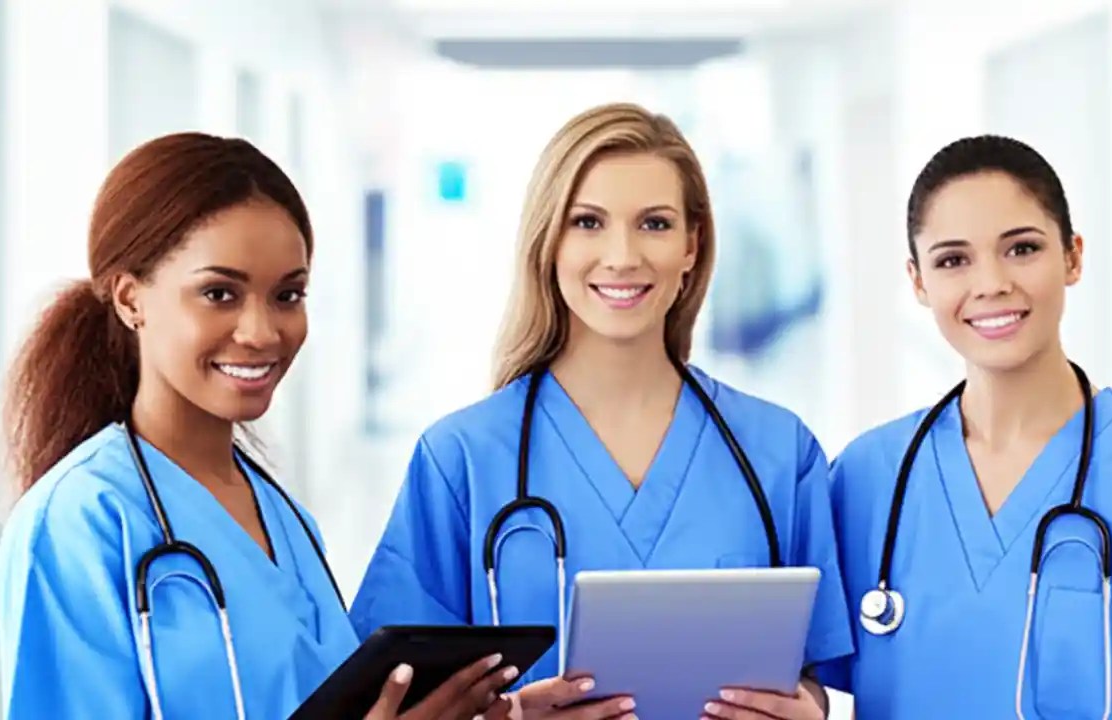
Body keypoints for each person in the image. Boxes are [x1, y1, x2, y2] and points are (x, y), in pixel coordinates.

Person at [348, 102, 852, 719]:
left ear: (693, 244)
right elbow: (395, 703)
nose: (622, 255)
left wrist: (811, 712)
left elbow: (811, 681)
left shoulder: (776, 452)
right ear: (550, 241)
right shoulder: (462, 458)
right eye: (588, 222)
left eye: (655, 224)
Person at [0, 132, 517, 720]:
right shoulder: (77, 521)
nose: (263, 332)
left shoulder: (287, 521)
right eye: (219, 293)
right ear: (130, 299)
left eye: (288, 295)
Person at [821, 134, 1112, 718]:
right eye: (953, 260)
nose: (992, 283)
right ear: (919, 281)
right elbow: (800, 684)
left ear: (1073, 256)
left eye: (1021, 249)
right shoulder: (866, 479)